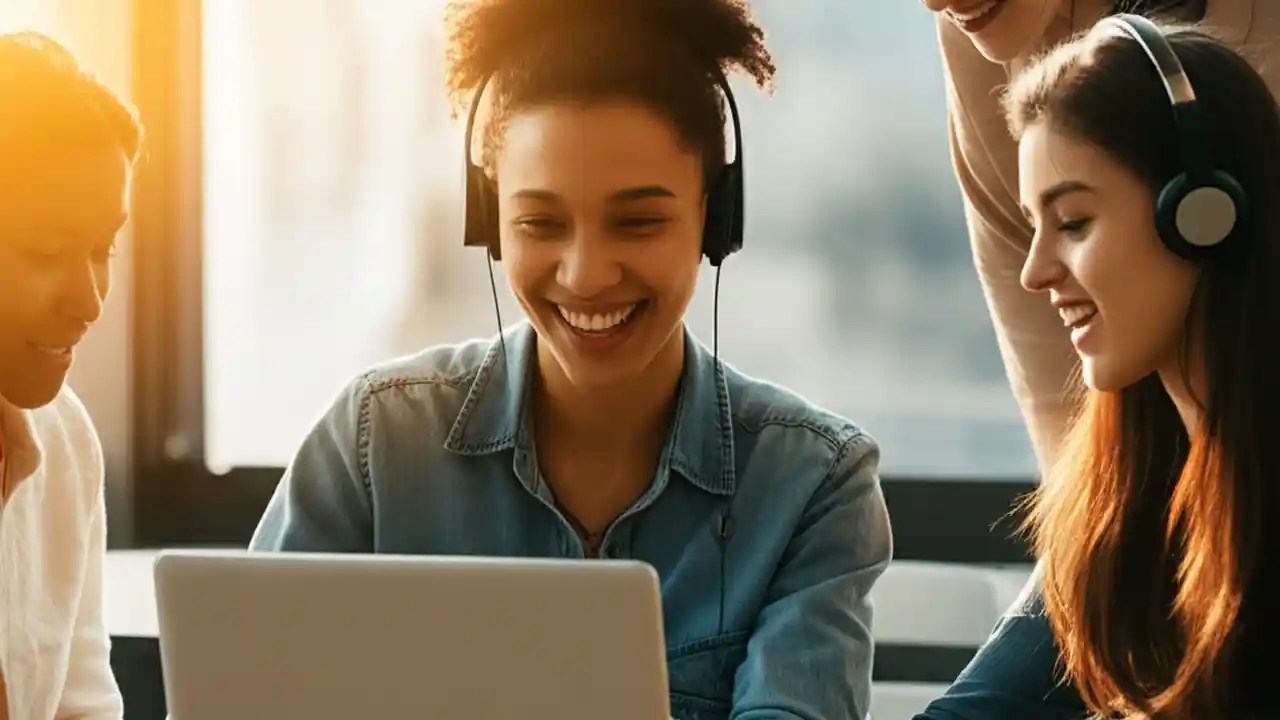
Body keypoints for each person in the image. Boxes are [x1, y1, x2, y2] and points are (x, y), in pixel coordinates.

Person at [249, 0, 893, 717]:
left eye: (638, 221)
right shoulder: (375, 443)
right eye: (540, 223)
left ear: (714, 217)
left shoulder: (812, 485)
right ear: (489, 222)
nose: (585, 274)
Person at [915, 15, 1280, 719]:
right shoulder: (1127, 497)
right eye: (1033, 226)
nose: (1034, 270)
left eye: (1074, 223)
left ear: (1203, 214)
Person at [921, 0, 1278, 474]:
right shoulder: (976, 47)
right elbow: (1065, 435)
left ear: (1197, 213)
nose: (933, 3)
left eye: (1073, 222)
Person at [0, 32, 141, 719]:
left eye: (101, 248)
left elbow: (81, 704)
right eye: (49, 250)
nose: (89, 303)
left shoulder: (63, 439)